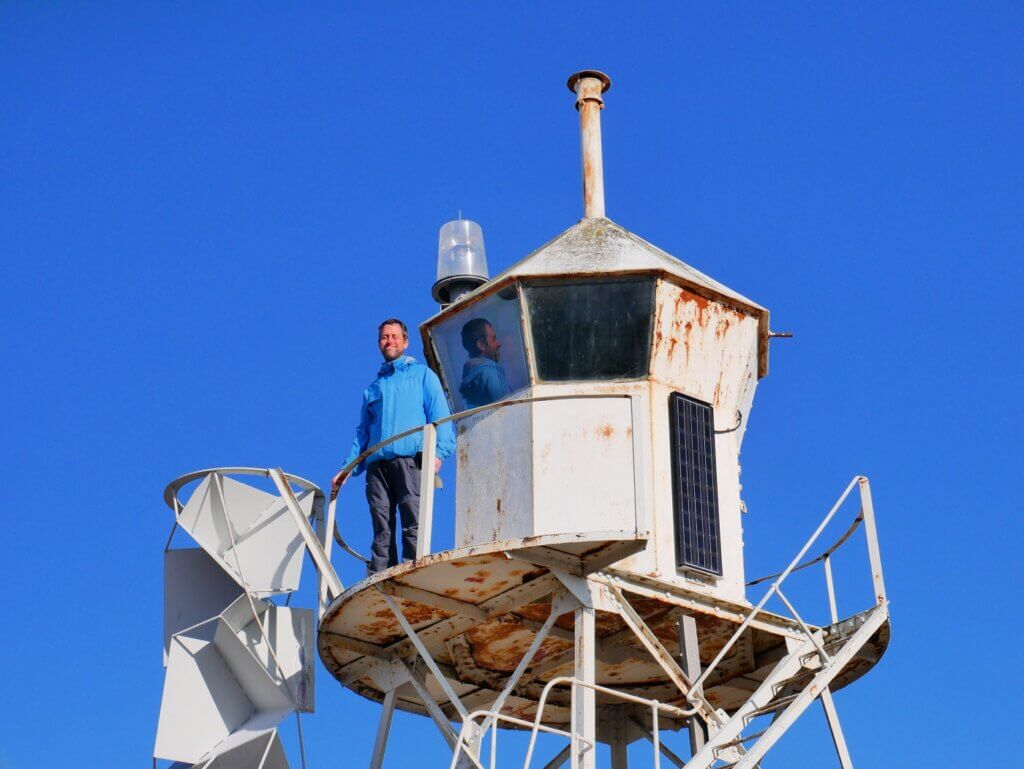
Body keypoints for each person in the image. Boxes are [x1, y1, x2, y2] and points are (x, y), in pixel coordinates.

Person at [332, 318, 456, 573]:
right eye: (384, 337)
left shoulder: (422, 375)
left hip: (409, 461)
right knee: (381, 524)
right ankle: (383, 574)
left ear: (405, 341)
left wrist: (439, 454)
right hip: (377, 466)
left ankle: (414, 572)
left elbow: (440, 417)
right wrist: (347, 469)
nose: (389, 341)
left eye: (394, 336)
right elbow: (363, 433)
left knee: (413, 520)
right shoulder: (373, 388)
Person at [458, 317, 510, 409]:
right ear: (481, 345)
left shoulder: (473, 378)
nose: (498, 344)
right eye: (493, 339)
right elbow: (506, 410)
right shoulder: (489, 374)